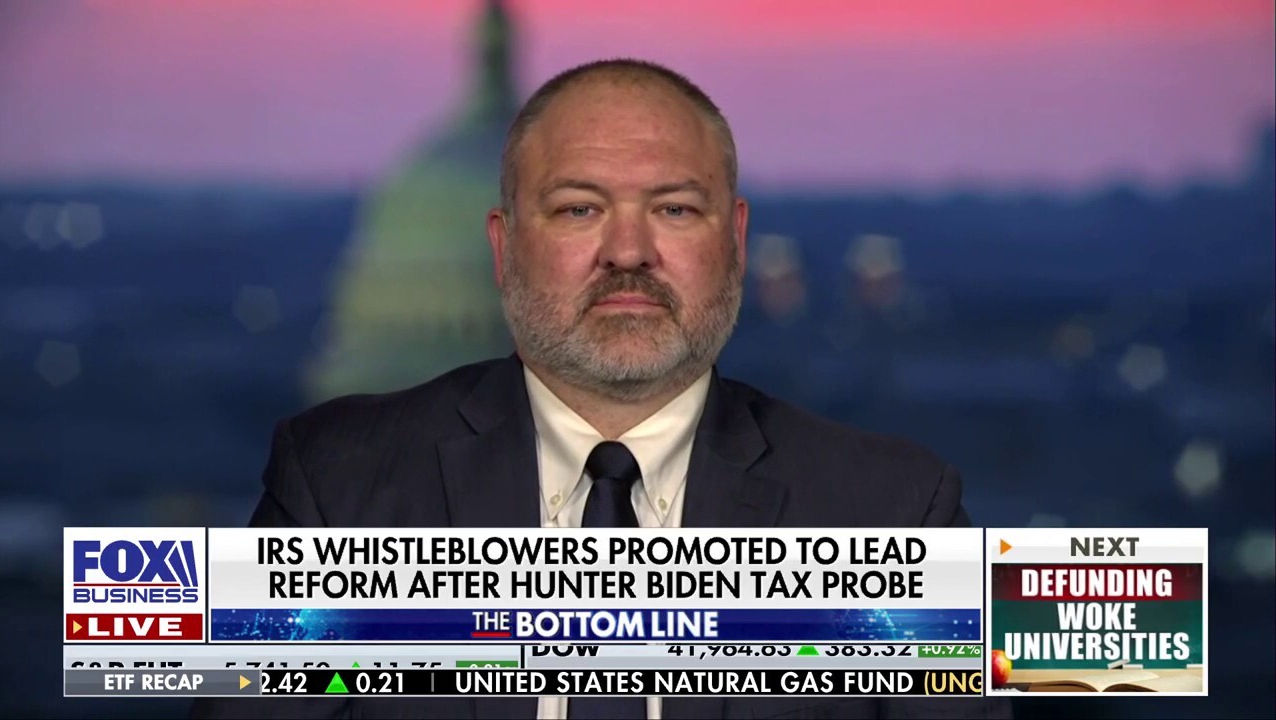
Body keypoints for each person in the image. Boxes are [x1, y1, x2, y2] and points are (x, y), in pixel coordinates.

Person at [194, 59, 1011, 720]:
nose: (627, 251)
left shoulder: (895, 511)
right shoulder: (337, 489)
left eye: (675, 210)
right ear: (504, 249)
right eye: (580, 209)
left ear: (735, 241)